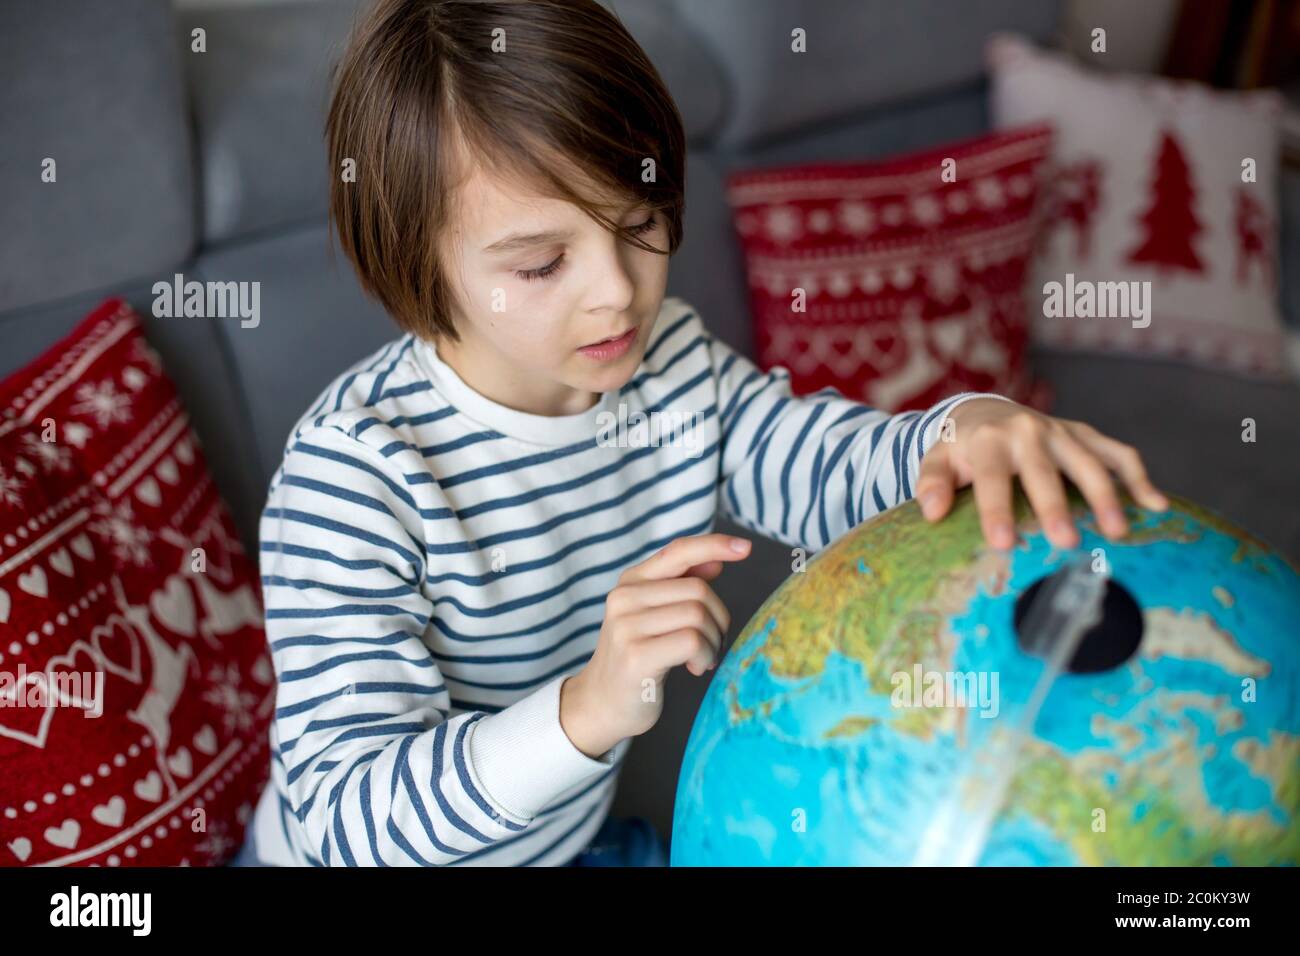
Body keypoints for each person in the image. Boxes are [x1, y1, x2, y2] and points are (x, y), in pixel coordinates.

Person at [247, 0, 1168, 867]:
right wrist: (587, 710)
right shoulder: (354, 477)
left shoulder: (669, 364)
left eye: (639, 223)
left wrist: (966, 428)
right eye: (542, 263)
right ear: (416, 264)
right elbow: (347, 819)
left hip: (566, 842)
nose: (619, 290)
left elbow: (817, 463)